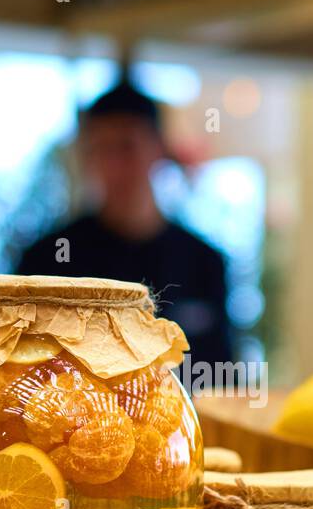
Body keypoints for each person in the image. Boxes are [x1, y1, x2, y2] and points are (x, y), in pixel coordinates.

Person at [16, 81, 234, 366]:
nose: (115, 165)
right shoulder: (48, 262)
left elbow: (222, 375)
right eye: (101, 149)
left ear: (158, 149)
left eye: (126, 147)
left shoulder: (203, 262)